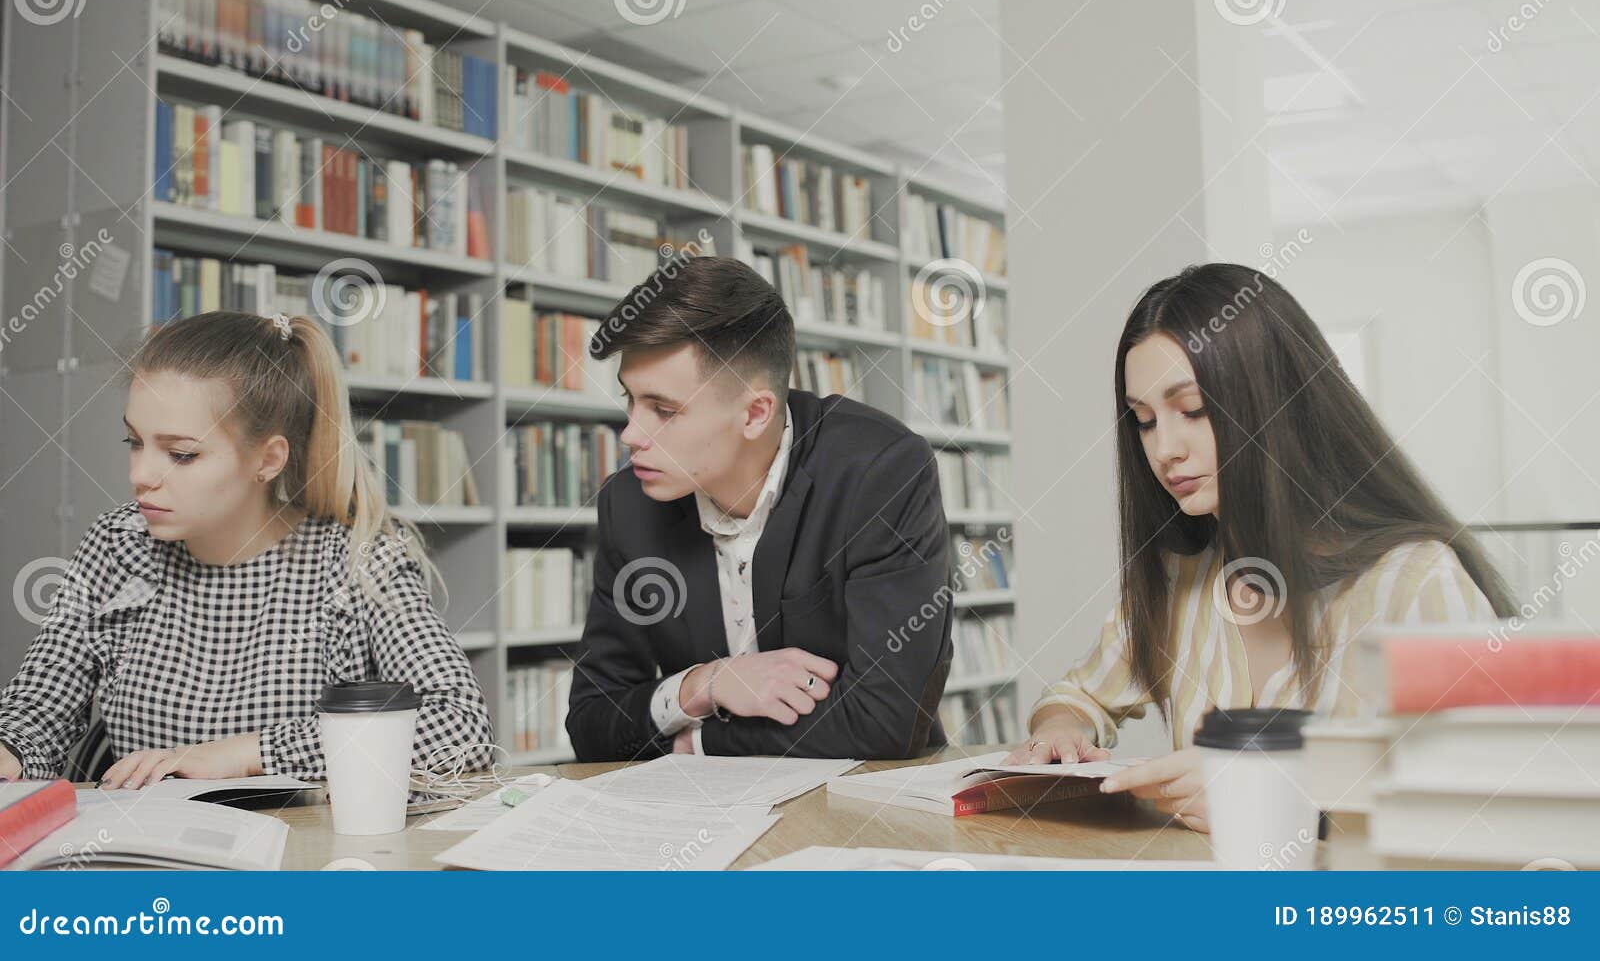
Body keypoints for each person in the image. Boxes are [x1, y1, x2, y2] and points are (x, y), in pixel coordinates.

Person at [1006, 263, 1514, 833]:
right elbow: (1075, 696)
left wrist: (1287, 801)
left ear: (1276, 402)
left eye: (1193, 410)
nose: (1164, 448)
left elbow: (1489, 808)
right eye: (1144, 421)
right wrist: (1060, 730)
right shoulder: (1179, 583)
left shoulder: (1414, 579)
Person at [0, 311, 494, 788]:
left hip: (304, 858)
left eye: (181, 454)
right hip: (149, 858)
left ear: (268, 459)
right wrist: (11, 749)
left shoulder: (359, 559)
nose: (141, 475)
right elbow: (40, 708)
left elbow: (460, 726)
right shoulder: (115, 545)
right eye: (134, 441)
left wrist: (249, 755)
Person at [566, 256, 953, 761]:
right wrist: (706, 684)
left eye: (663, 410)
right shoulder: (629, 504)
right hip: (698, 815)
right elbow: (593, 724)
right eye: (630, 401)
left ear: (755, 413)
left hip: (862, 807)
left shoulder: (880, 473)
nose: (631, 435)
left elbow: (886, 723)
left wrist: (697, 740)